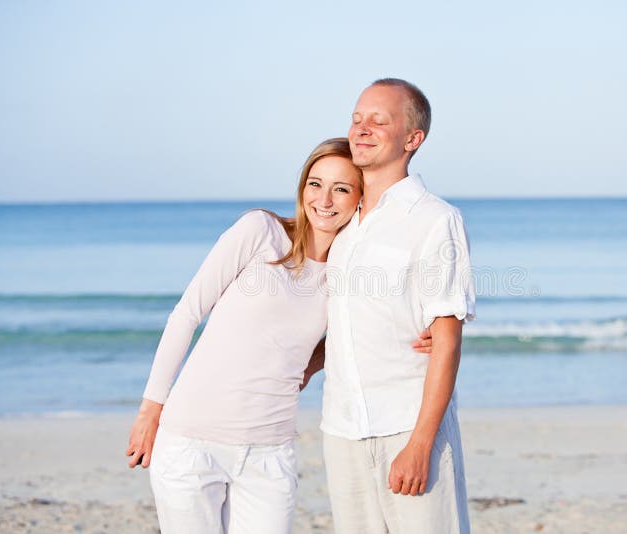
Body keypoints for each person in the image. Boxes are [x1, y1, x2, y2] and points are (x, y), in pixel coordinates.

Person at [125, 138, 431, 533]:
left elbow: (360, 336)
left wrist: (426, 337)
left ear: (359, 198)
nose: (324, 199)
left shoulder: (348, 273)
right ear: (302, 187)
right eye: (315, 184)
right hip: (189, 443)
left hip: (269, 454)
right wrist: (151, 411)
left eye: (341, 188)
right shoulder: (260, 231)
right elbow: (186, 314)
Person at [315, 79, 476, 533]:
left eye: (379, 120)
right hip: (341, 429)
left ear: (412, 139)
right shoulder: (342, 223)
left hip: (406, 424)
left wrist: (421, 444)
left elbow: (446, 342)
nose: (361, 129)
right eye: (357, 118)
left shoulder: (434, 219)